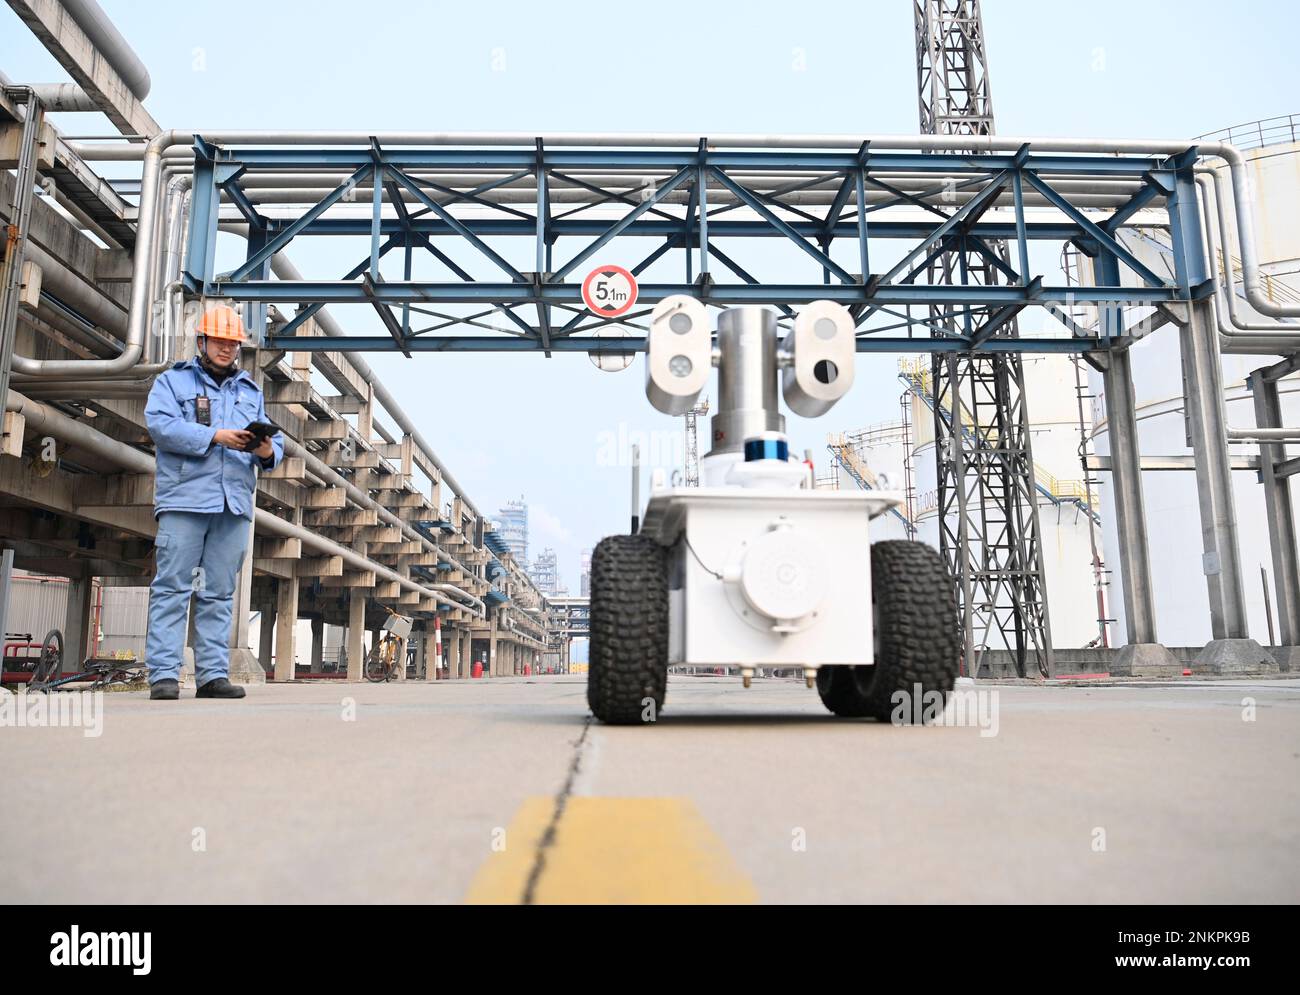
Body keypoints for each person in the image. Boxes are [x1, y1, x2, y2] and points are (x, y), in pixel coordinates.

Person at [143, 305, 283, 700]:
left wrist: (268, 449)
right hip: (186, 501)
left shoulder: (249, 390)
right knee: (173, 587)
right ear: (202, 342)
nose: (226, 349)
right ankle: (165, 675)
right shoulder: (173, 382)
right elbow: (161, 426)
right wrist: (215, 437)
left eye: (233, 343)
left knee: (219, 592)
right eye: (219, 341)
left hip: (233, 505)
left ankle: (211, 676)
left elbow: (279, 448)